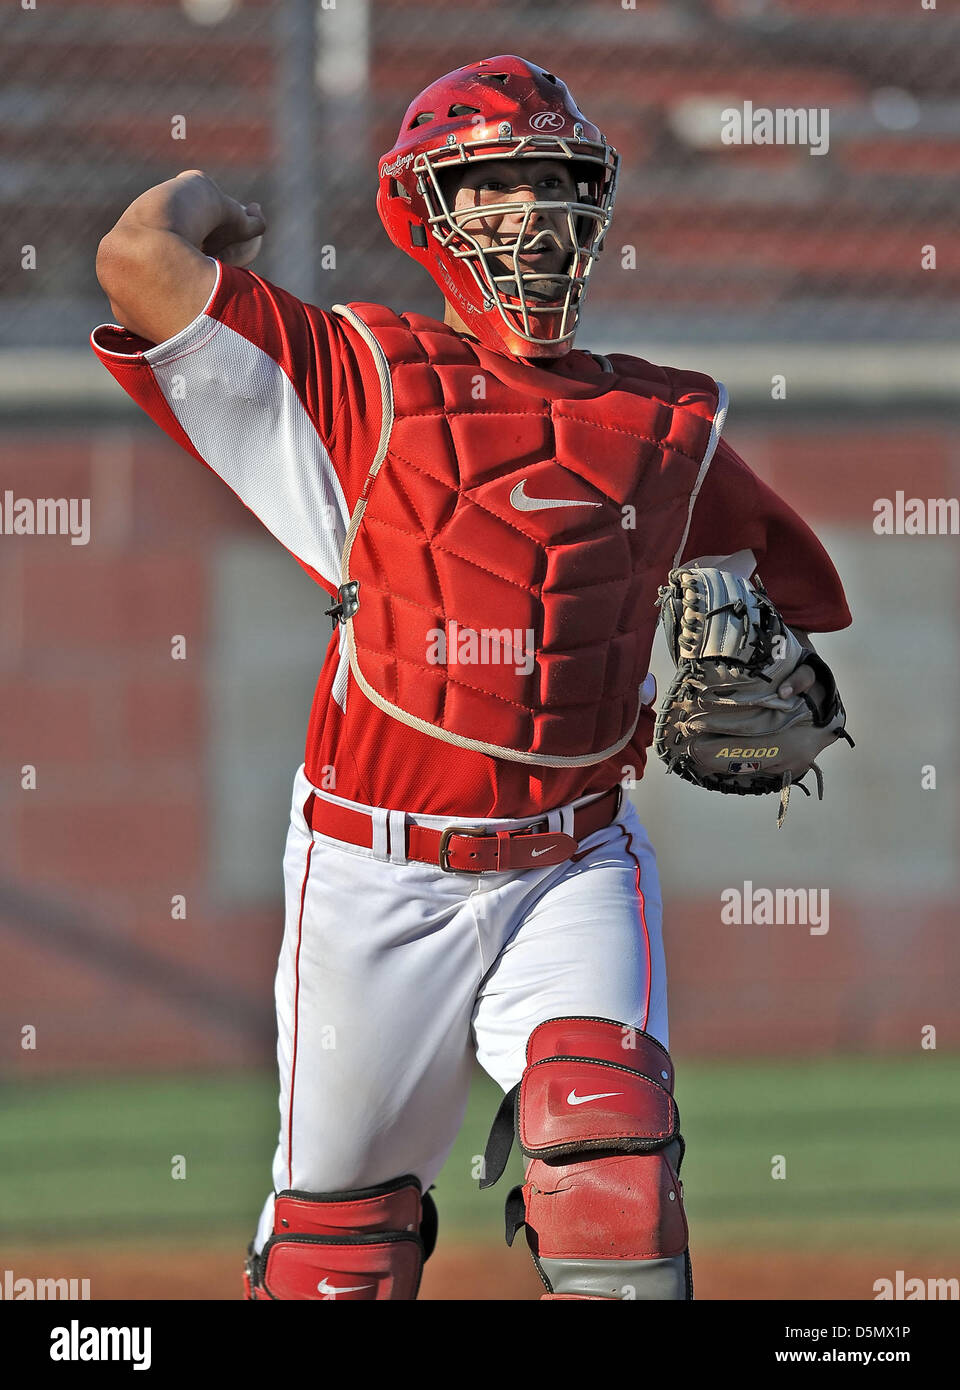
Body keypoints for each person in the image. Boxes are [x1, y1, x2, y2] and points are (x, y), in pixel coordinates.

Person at [92, 55, 851, 1301]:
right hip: (374, 868)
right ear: (421, 207)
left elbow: (773, 627)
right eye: (496, 184)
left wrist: (784, 686)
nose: (534, 212)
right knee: (341, 1245)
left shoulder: (665, 427)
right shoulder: (359, 377)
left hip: (573, 858)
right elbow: (136, 257)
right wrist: (208, 200)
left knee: (611, 1167)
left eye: (558, 181)